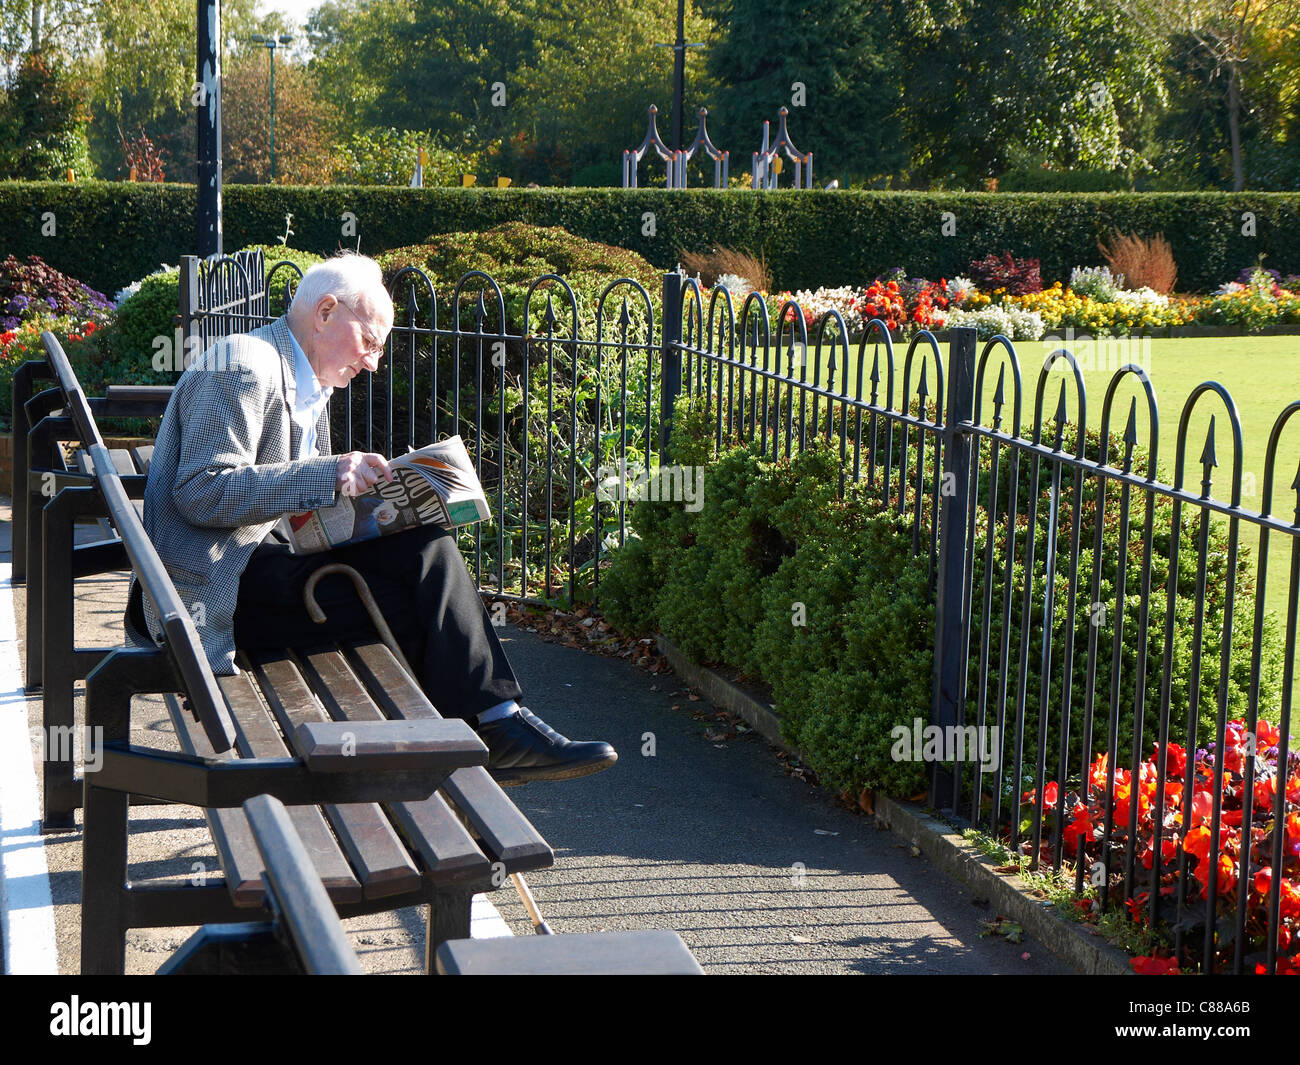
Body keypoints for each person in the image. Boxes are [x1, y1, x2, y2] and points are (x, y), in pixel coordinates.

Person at [135, 252, 616, 784]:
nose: (373, 363)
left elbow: (278, 501)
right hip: (210, 597)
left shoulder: (297, 372)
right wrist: (331, 474)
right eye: (370, 342)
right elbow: (200, 492)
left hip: (252, 568)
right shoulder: (246, 365)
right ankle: (471, 745)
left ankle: (468, 745)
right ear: (325, 312)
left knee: (423, 548)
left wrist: (365, 509)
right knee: (419, 582)